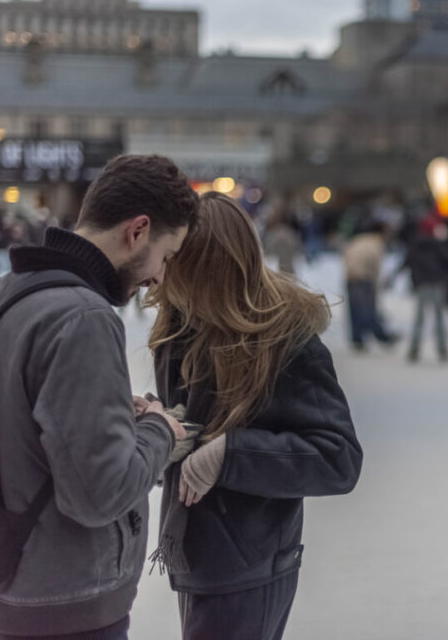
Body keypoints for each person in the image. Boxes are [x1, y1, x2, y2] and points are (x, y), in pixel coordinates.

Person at [0, 154, 197, 640]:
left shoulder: (10, 290)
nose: (159, 276)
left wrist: (116, 416)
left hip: (9, 581)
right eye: (168, 255)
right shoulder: (83, 317)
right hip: (68, 598)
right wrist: (158, 429)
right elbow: (100, 495)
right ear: (138, 230)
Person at [147, 192, 362, 640]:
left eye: (177, 266)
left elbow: (337, 459)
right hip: (198, 551)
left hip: (251, 562)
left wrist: (231, 454)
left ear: (213, 269)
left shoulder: (286, 342)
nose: (161, 278)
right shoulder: (180, 325)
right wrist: (161, 425)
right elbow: (201, 416)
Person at [400, 215, 448, 362]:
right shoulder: (438, 245)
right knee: (439, 317)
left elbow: (406, 262)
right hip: (437, 283)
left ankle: (414, 349)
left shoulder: (416, 245)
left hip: (422, 284)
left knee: (419, 318)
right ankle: (442, 349)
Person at [343, 221, 398, 351]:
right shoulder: (376, 243)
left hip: (351, 276)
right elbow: (375, 264)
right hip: (364, 278)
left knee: (355, 310)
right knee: (368, 310)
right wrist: (375, 282)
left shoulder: (358, 240)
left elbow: (346, 254)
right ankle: (382, 336)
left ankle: (357, 339)